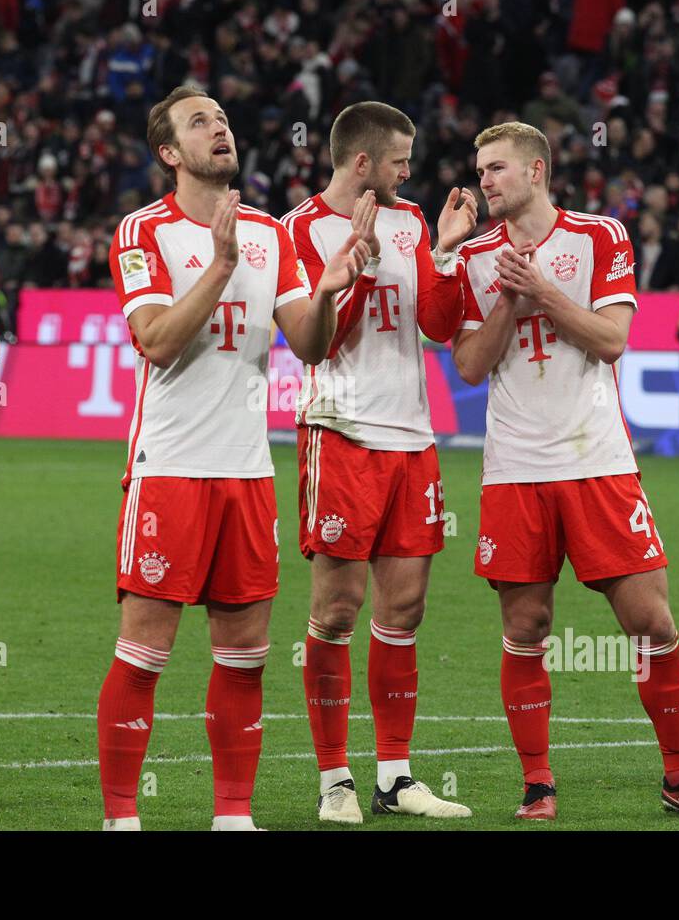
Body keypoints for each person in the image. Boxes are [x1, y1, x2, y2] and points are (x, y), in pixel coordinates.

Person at [96, 86, 368, 832]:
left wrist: (332, 291)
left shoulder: (267, 232)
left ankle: (233, 818)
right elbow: (154, 340)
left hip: (248, 476)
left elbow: (308, 344)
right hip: (170, 470)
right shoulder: (141, 231)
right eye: (198, 123)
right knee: (144, 652)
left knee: (245, 658)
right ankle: (122, 819)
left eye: (221, 118)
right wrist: (217, 269)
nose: (218, 129)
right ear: (169, 153)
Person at [451, 121, 679, 823]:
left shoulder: (599, 236)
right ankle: (538, 784)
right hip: (515, 467)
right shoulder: (474, 259)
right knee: (528, 623)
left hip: (597, 460)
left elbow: (613, 340)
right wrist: (511, 302)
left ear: (537, 172)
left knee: (651, 619)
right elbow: (467, 364)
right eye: (480, 169)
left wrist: (544, 291)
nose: (484, 180)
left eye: (496, 169)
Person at [281, 101, 476, 823]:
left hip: (413, 439)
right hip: (341, 432)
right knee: (337, 609)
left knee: (405, 609)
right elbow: (321, 340)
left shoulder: (412, 220)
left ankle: (394, 776)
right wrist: (354, 270)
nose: (409, 170)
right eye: (400, 159)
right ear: (362, 162)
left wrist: (448, 251)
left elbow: (438, 323)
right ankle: (336, 780)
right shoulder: (298, 229)